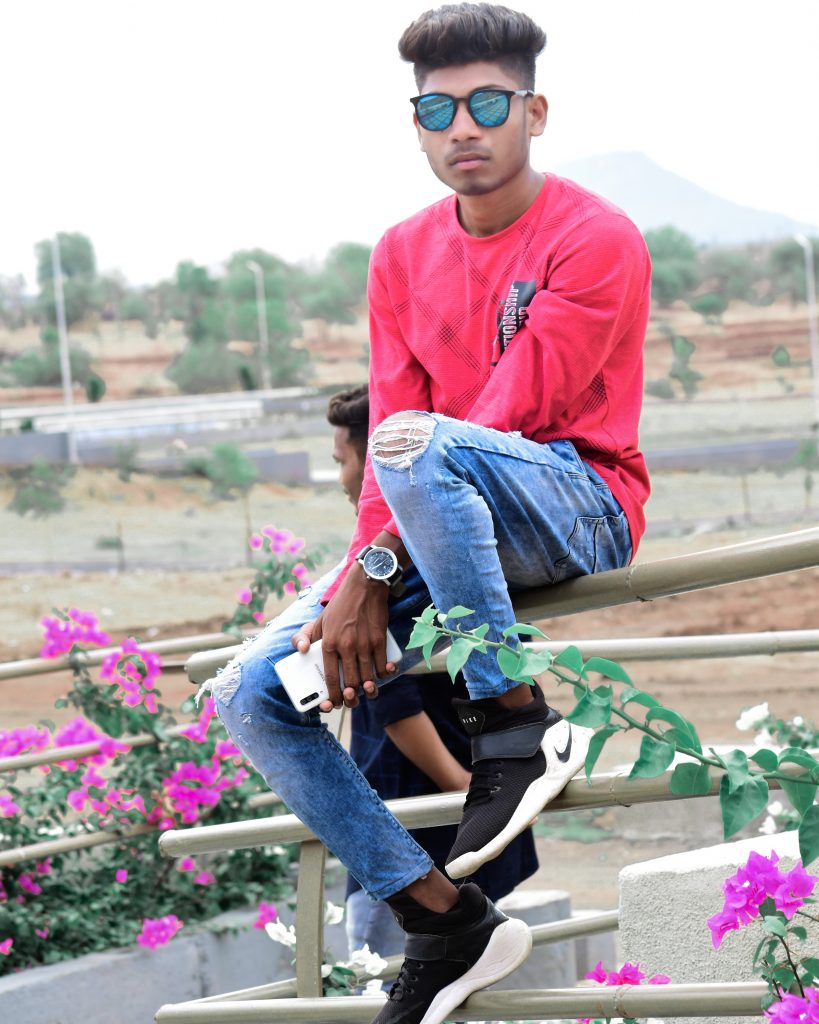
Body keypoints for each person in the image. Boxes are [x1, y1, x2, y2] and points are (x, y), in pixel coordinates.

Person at [208, 6, 651, 1022]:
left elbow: (510, 413)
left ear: (534, 111)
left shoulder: (596, 236)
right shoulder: (401, 254)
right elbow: (393, 440)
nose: (463, 128)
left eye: (487, 103)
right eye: (437, 108)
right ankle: (443, 915)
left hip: (573, 500)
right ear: (415, 123)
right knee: (252, 691)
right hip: (432, 514)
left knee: (419, 438)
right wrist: (362, 576)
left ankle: (513, 716)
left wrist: (370, 573)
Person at [327, 385, 538, 958]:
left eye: (345, 461)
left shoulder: (381, 579)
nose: (345, 478)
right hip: (470, 795)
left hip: (421, 805)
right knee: (474, 963)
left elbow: (396, 710)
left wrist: (467, 792)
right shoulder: (456, 545)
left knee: (383, 960)